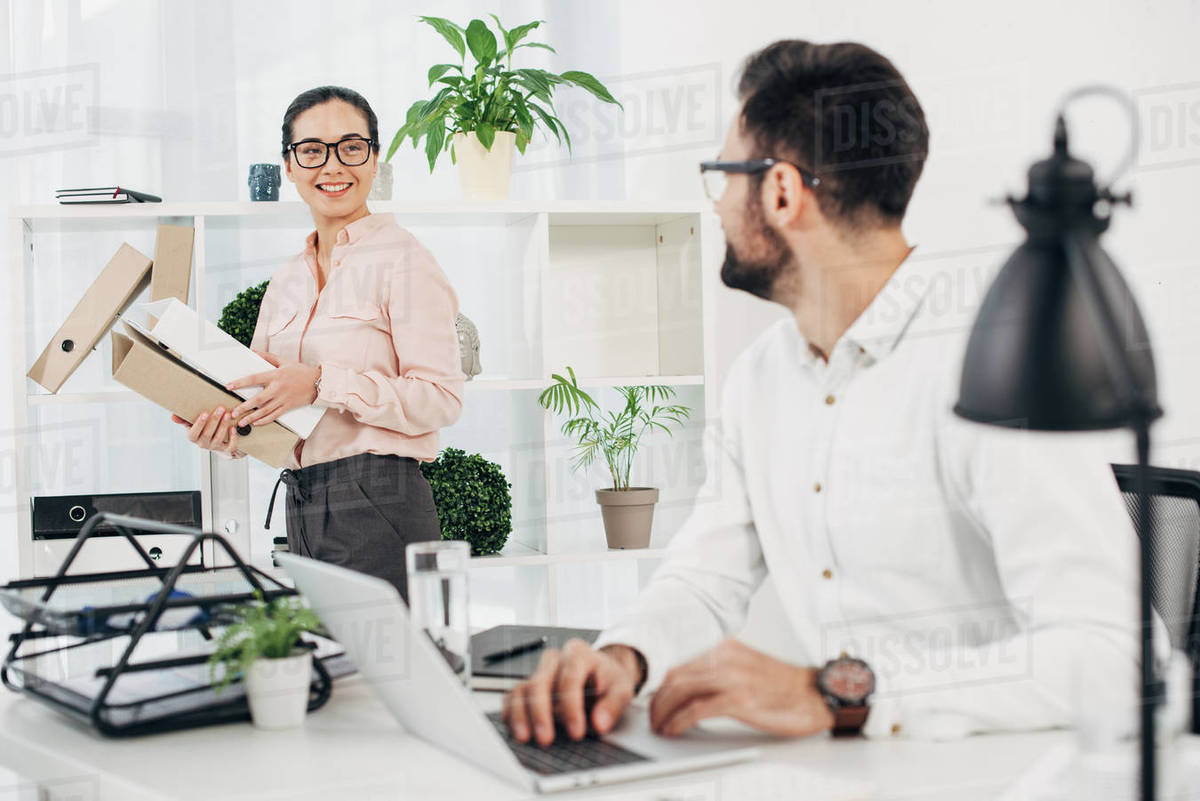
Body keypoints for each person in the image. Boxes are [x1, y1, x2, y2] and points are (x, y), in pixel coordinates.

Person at [503, 41, 1144, 744]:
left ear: (781, 191)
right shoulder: (760, 380)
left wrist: (846, 692)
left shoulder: (991, 365)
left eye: (723, 176)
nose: (717, 205)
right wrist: (624, 655)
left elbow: (1116, 653)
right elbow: (702, 579)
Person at [173, 86, 464, 601]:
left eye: (351, 147)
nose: (333, 166)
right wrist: (228, 429)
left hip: (380, 498)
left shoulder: (406, 260)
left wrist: (322, 383)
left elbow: (440, 399)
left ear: (375, 158)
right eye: (312, 150)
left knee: (392, 671)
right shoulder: (286, 280)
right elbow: (271, 410)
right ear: (289, 166)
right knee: (328, 670)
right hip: (302, 500)